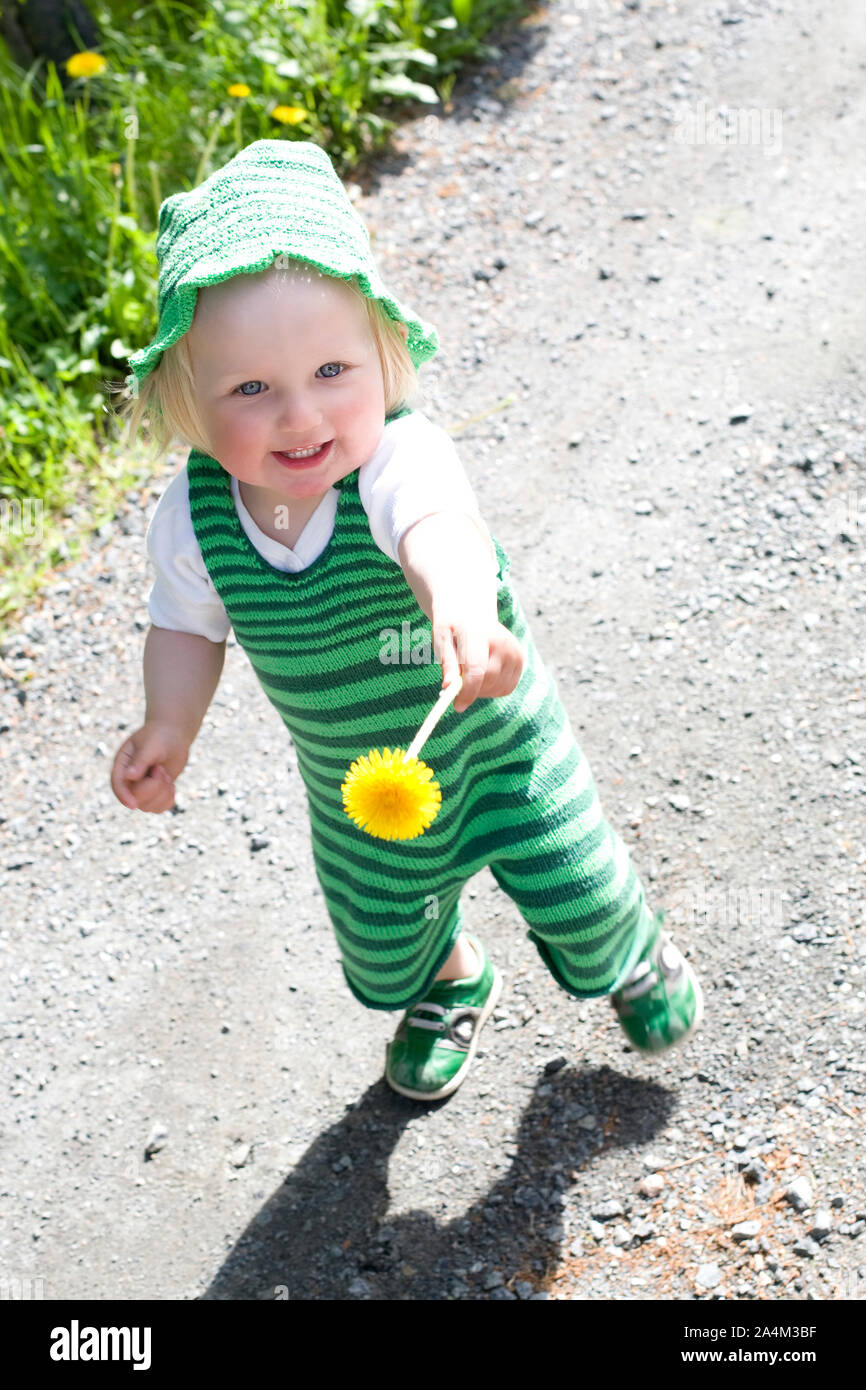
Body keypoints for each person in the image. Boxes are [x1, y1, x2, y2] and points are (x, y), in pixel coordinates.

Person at [110, 139, 703, 1103]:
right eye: (251, 389)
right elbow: (186, 628)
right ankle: (451, 979)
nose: (301, 416)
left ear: (384, 356)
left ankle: (627, 949)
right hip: (361, 781)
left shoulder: (397, 460)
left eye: (333, 369)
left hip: (491, 737)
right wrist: (167, 727)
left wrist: (459, 606)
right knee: (382, 941)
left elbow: (438, 533)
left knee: (575, 883)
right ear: (189, 400)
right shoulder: (196, 516)